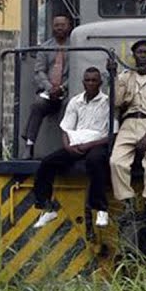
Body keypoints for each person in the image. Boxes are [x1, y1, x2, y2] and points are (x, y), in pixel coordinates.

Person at [31, 67, 113, 229]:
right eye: (87, 80)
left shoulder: (108, 103)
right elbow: (66, 128)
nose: (90, 83)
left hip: (97, 144)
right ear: (83, 82)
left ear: (100, 83)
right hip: (76, 144)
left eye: (94, 80)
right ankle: (47, 207)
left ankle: (101, 209)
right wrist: (68, 146)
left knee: (95, 161)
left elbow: (112, 134)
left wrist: (89, 145)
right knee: (48, 162)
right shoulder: (75, 102)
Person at [110, 40, 146, 222]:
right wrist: (114, 78)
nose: (142, 56)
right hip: (128, 123)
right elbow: (117, 103)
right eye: (139, 52)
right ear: (133, 56)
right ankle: (128, 204)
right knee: (116, 162)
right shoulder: (125, 76)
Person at [23, 12, 73, 157]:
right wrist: (50, 88)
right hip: (49, 91)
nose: (59, 28)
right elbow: (39, 71)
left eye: (62, 25)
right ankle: (29, 145)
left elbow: (76, 70)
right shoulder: (45, 47)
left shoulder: (76, 46)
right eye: (56, 25)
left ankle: (66, 147)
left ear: (69, 27)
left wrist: (63, 87)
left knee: (69, 105)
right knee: (38, 105)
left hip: (68, 90)